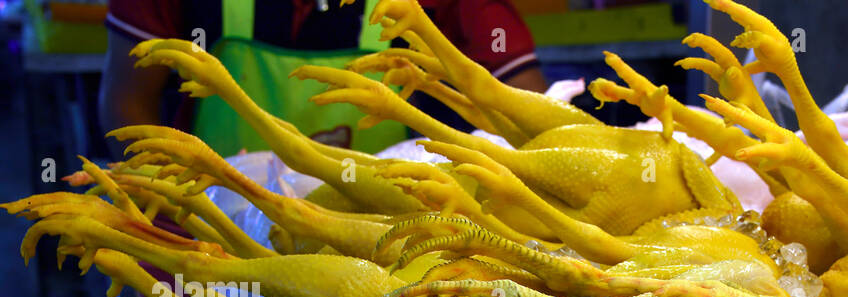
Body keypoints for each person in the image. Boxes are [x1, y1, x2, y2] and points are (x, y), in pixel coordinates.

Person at [100, 0, 547, 157]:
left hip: (397, 243)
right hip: (216, 244)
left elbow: (525, 108)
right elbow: (126, 103)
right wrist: (181, 211)